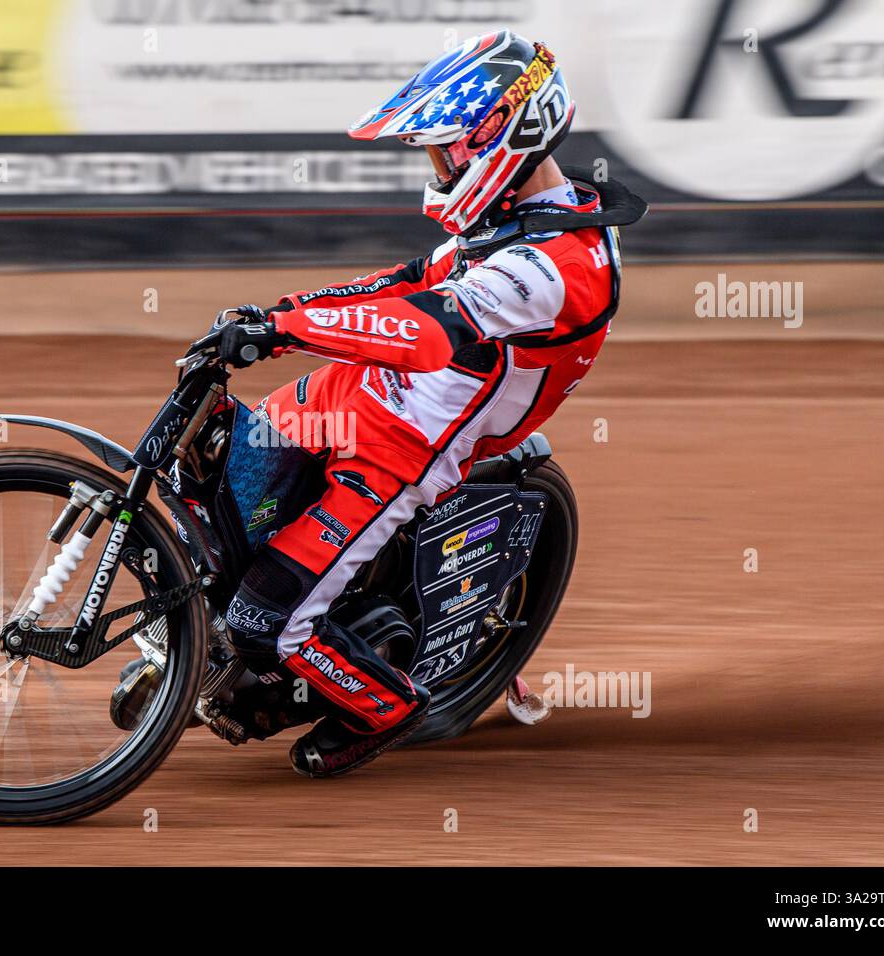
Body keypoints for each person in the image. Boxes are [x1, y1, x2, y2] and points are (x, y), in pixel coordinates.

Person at [196, 30, 645, 777]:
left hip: (406, 448)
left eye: (445, 152)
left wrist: (288, 329)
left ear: (502, 139)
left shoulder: (555, 268)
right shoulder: (516, 221)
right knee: (212, 486)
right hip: (354, 393)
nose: (437, 170)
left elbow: (424, 330)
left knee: (264, 618)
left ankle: (385, 707)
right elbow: (403, 281)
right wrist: (274, 315)